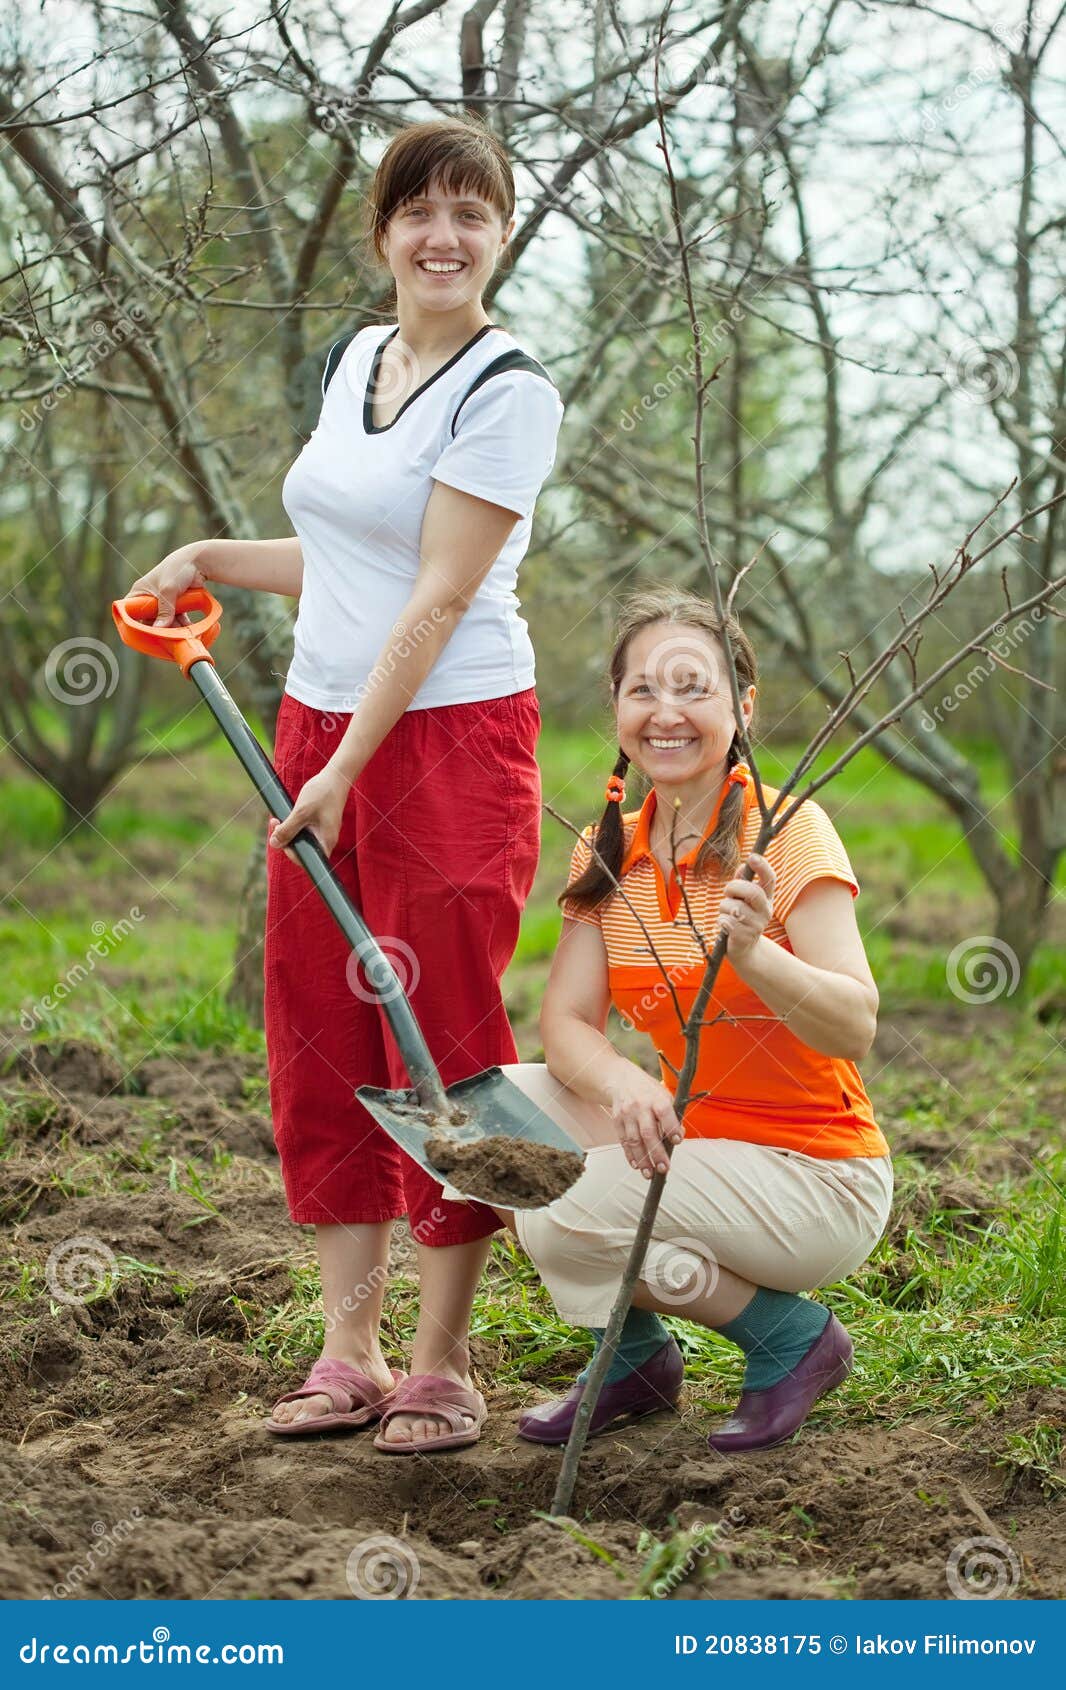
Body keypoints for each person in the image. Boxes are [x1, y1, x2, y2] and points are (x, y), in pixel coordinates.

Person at [128, 117, 564, 1454]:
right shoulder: (357, 363)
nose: (443, 236)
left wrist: (350, 765)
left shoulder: (508, 390)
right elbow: (349, 557)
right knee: (320, 1034)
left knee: (435, 1040)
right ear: (380, 233)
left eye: (471, 213)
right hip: (318, 728)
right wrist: (207, 555)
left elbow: (435, 593)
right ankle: (350, 1345)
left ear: (499, 235)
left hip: (444, 742)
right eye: (418, 210)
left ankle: (443, 1358)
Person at [508, 587, 893, 1453]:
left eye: (693, 687)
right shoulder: (606, 845)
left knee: (560, 1213)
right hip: (695, 1143)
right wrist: (624, 1085)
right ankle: (634, 1357)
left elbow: (855, 1025)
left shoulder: (787, 834)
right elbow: (566, 1021)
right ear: (615, 707)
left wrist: (758, 956)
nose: (666, 712)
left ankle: (789, 1340)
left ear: (742, 706)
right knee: (487, 1124)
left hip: (814, 1176)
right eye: (642, 689)